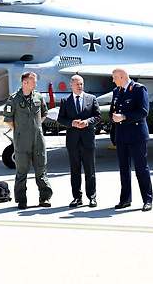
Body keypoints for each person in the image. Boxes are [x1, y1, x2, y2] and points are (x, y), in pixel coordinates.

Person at [3, 72, 53, 210]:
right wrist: (20, 131)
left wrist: (36, 128)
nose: (35, 83)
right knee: (21, 171)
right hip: (21, 141)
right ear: (25, 82)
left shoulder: (38, 96)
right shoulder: (13, 99)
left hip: (38, 139)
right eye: (33, 81)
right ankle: (21, 200)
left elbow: (44, 113)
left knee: (41, 170)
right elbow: (8, 119)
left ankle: (45, 198)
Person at [110, 68, 153, 212]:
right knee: (124, 169)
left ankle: (147, 199)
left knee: (141, 169)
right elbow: (113, 110)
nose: (113, 80)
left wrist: (123, 117)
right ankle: (125, 199)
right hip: (122, 135)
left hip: (137, 135)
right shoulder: (117, 91)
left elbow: (143, 111)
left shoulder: (139, 89)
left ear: (121, 77)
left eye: (114, 77)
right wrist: (114, 117)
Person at [57, 75, 101, 208]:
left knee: (90, 170)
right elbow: (61, 119)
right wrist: (72, 123)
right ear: (71, 85)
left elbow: (98, 116)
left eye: (81, 84)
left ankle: (92, 197)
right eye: (77, 84)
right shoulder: (65, 100)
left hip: (88, 140)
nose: (80, 86)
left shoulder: (91, 98)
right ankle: (77, 197)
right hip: (73, 141)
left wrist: (87, 122)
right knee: (75, 171)